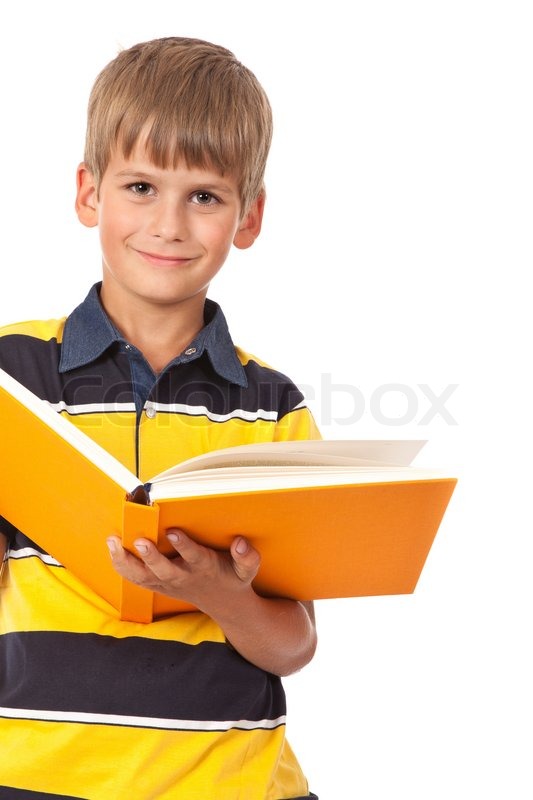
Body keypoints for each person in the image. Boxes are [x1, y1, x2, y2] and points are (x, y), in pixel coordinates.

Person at [0, 37, 320, 799]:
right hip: (35, 776)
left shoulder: (273, 407)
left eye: (204, 196)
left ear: (248, 216)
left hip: (228, 783)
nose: (169, 224)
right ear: (89, 194)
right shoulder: (12, 373)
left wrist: (222, 594)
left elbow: (293, 645)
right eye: (141, 187)